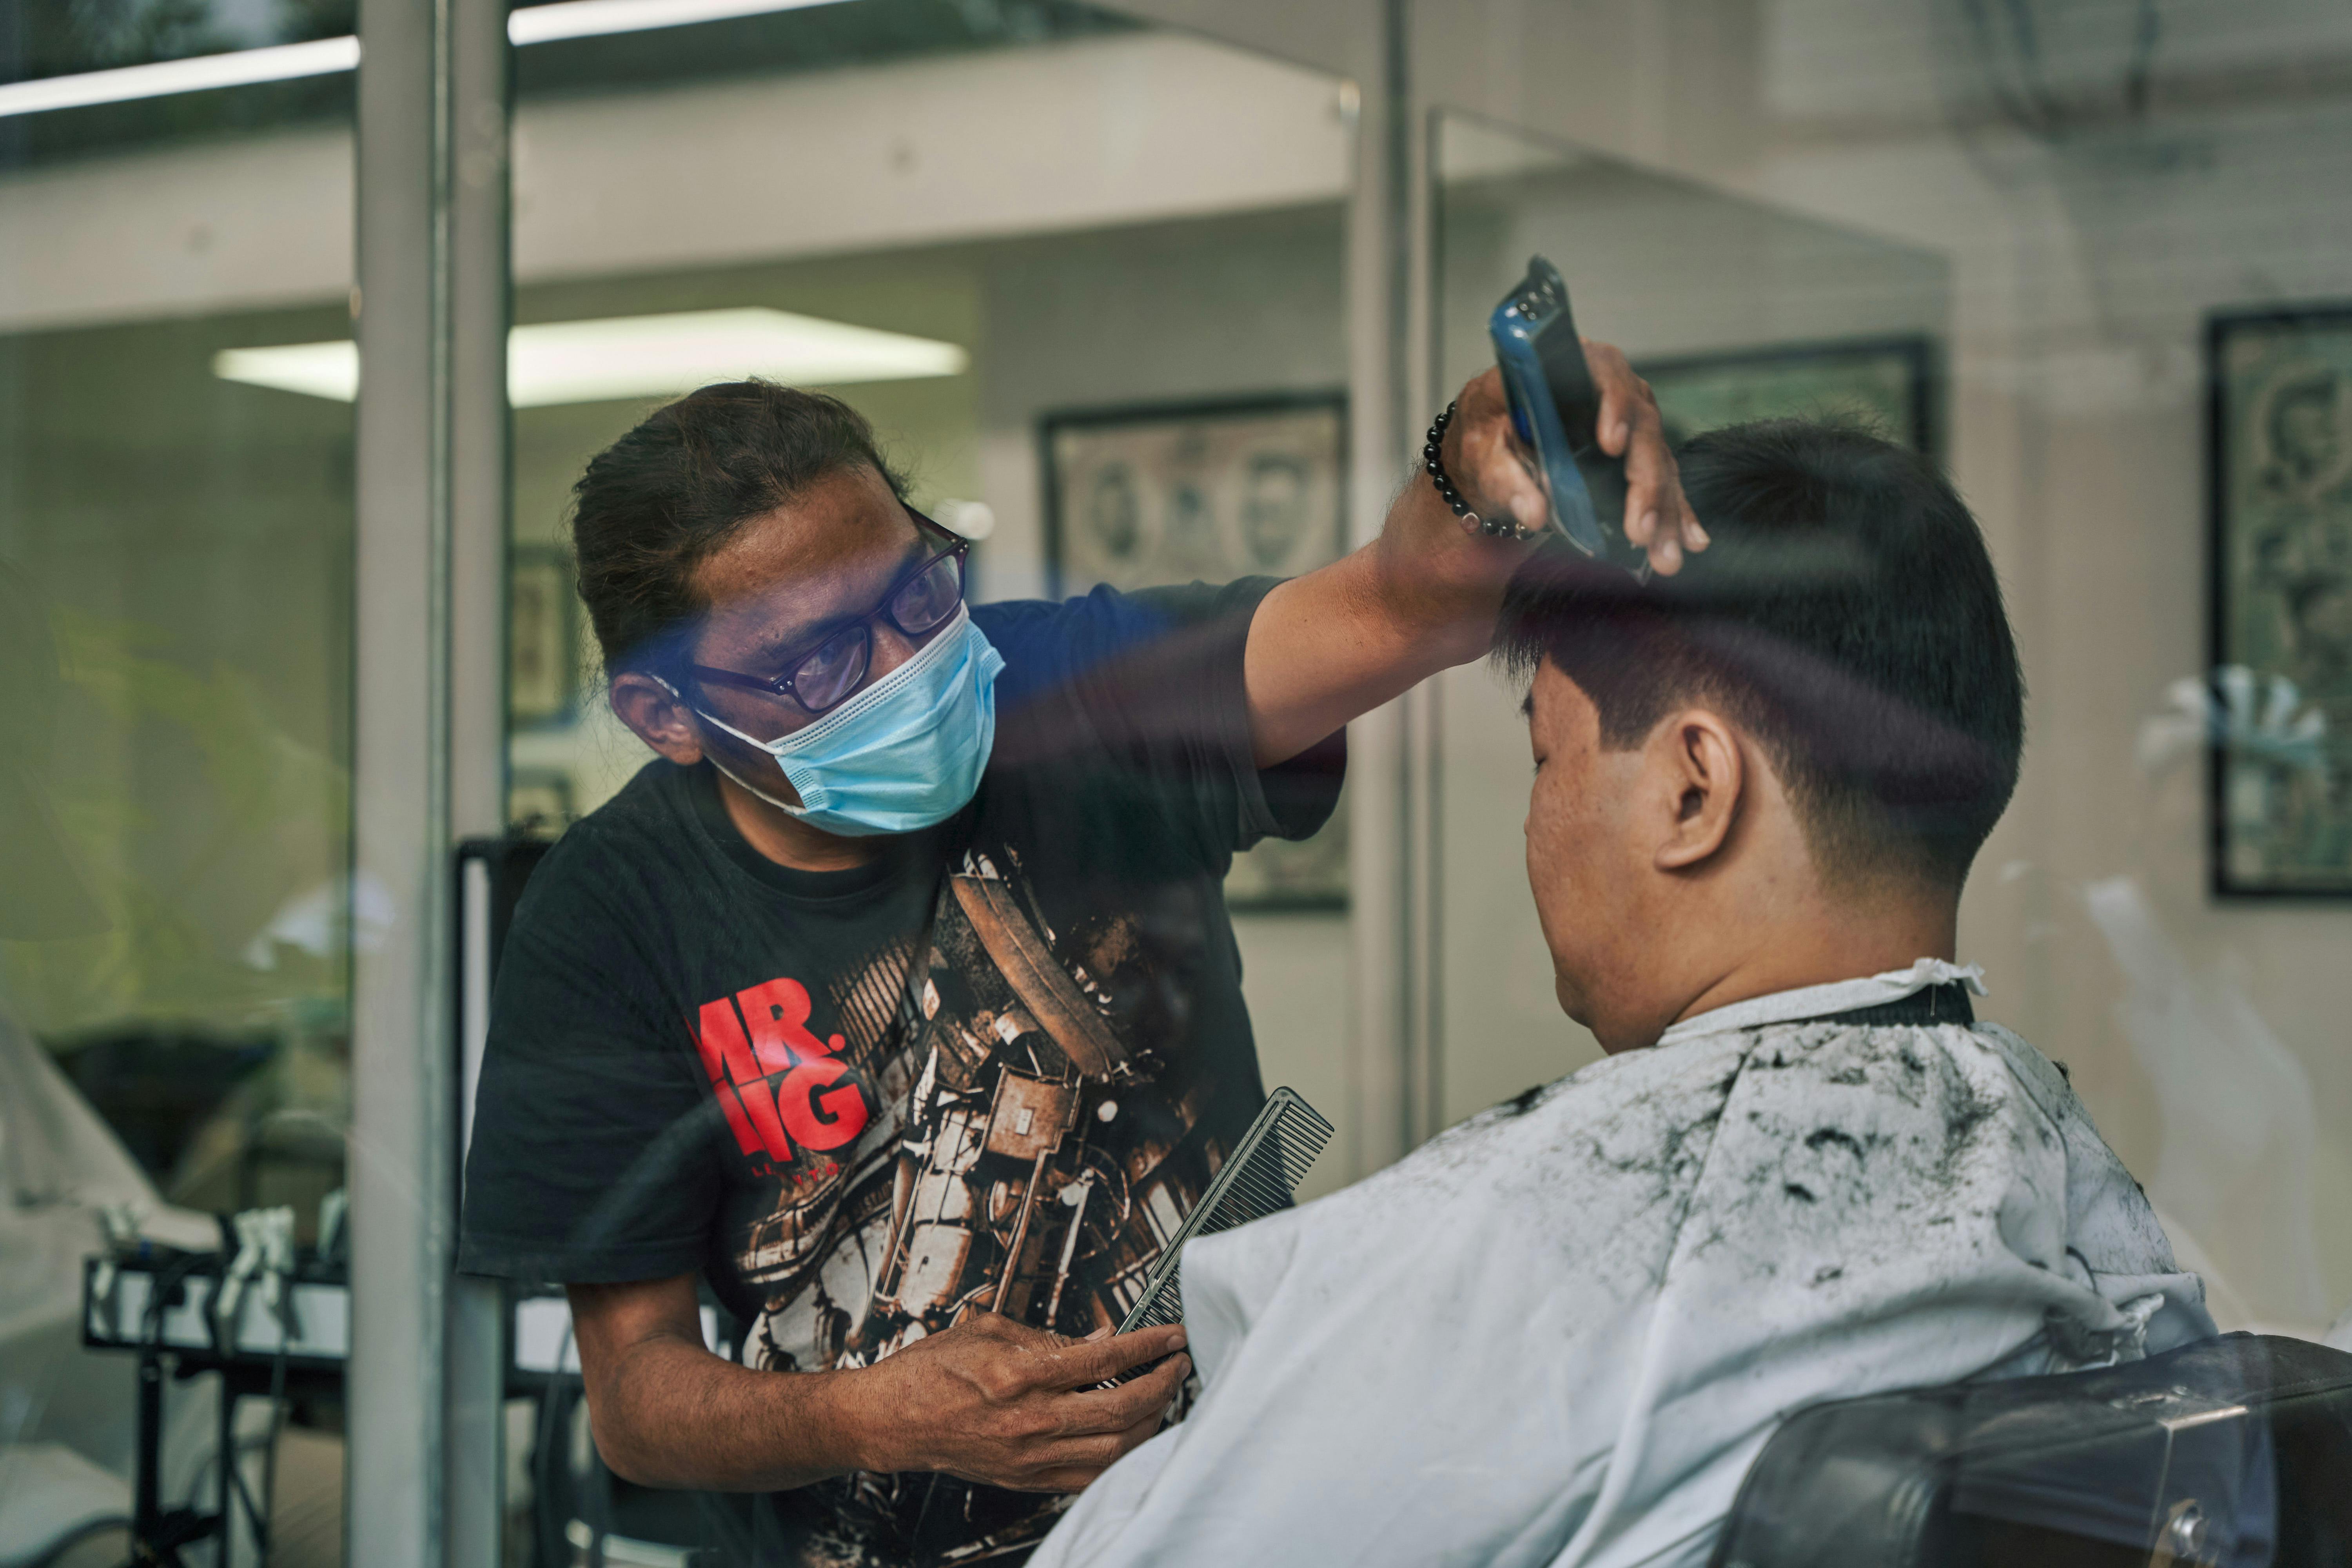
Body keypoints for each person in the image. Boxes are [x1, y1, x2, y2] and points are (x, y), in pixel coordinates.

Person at [456, 360, 1705, 1565]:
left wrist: (1476, 451)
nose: (911, 669)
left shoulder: (1065, 690)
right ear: (664, 715)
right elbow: (634, 1390)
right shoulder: (609, 918)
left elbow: (1397, 602)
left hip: (1220, 1517)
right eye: (821, 663)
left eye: (917, 594)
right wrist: (869, 1414)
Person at [1023, 419, 2216, 1568]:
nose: (1536, 820)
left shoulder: (1544, 1247)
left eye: (1551, 758)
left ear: (1693, 791)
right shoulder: (2059, 1167)